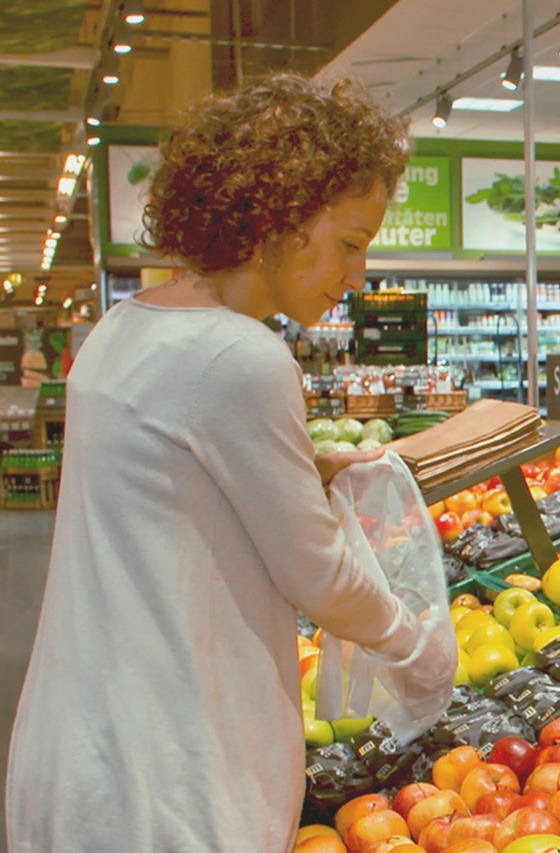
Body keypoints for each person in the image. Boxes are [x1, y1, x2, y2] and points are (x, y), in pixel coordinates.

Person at [6, 73, 456, 852]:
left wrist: (296, 468)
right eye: (349, 245)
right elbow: (320, 575)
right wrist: (420, 653)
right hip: (172, 783)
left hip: (78, 752)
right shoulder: (239, 355)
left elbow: (175, 500)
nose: (357, 278)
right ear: (279, 220)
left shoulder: (121, 329)